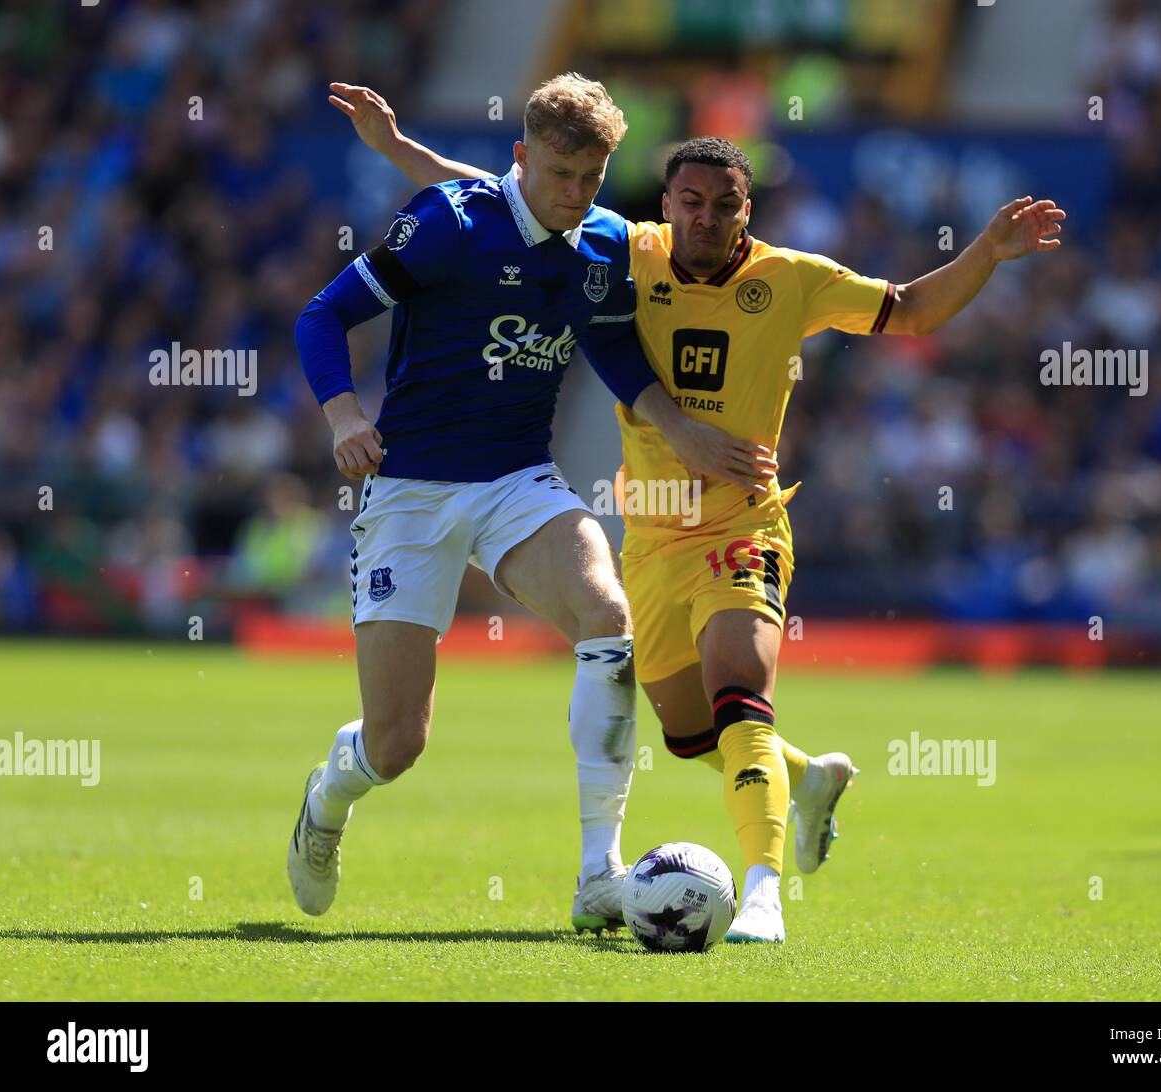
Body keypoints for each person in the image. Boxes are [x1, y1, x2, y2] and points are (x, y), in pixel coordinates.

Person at [337, 85, 1066, 942]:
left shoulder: (791, 279)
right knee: (686, 734)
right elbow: (507, 192)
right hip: (649, 531)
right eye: (691, 202)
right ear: (668, 205)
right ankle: (807, 780)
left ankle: (762, 893)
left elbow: (909, 310)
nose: (707, 218)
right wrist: (397, 150)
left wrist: (985, 249)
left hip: (741, 523)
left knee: (738, 693)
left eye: (725, 205)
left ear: (745, 210)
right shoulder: (625, 252)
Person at [290, 74, 775, 935]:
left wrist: (685, 431)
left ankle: (598, 872)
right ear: (524, 160)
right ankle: (330, 794)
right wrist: (343, 417)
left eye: (592, 179)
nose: (576, 196)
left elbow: (617, 350)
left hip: (517, 479)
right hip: (410, 490)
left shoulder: (603, 244)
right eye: (560, 176)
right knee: (396, 745)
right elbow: (322, 317)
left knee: (606, 617)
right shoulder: (447, 223)